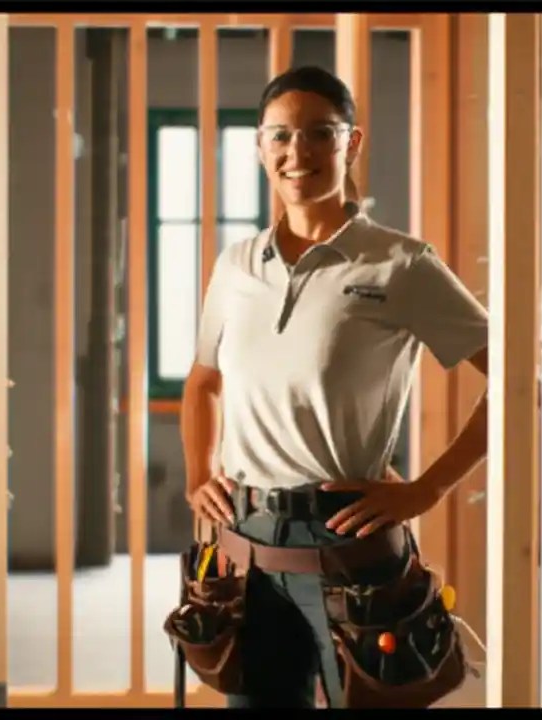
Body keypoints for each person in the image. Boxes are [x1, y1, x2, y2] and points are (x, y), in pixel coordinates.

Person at [178, 64, 489, 709]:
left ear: (353, 142)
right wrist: (197, 471)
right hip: (246, 545)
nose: (300, 153)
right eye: (281, 136)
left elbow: (519, 385)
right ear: (262, 147)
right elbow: (205, 379)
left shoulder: (401, 264)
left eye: (321, 133)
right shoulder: (236, 265)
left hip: (351, 551)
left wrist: (428, 489)